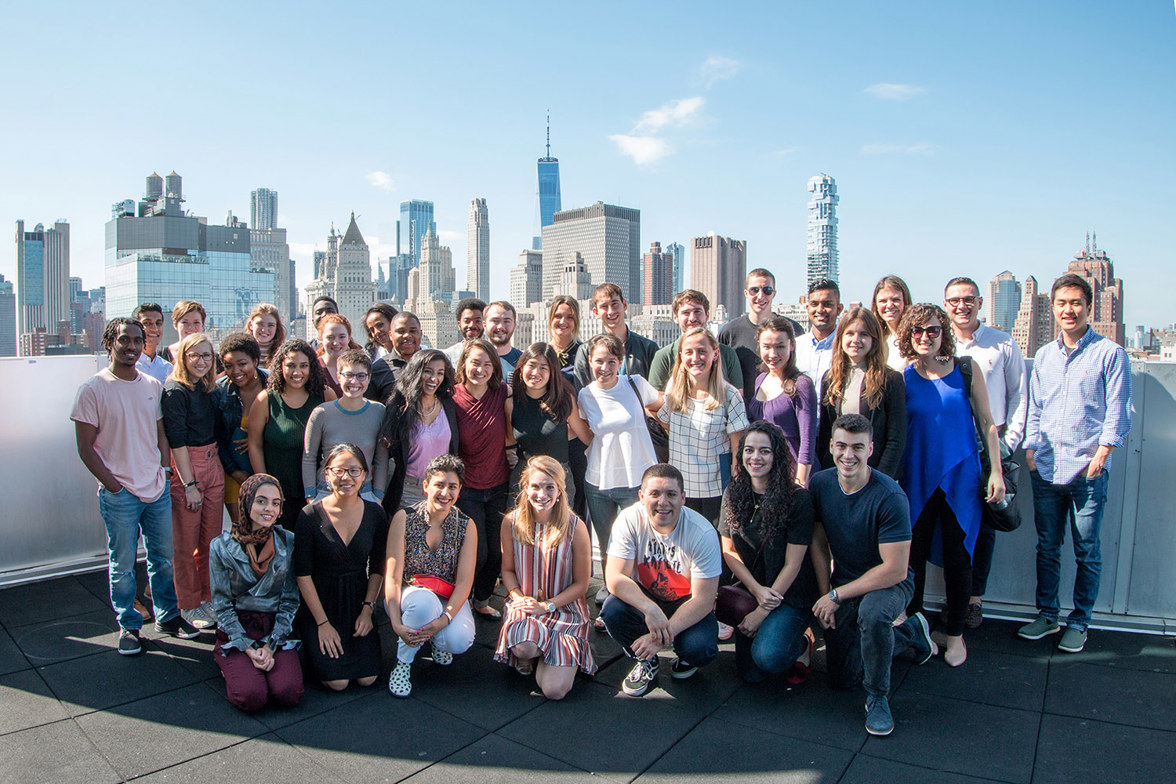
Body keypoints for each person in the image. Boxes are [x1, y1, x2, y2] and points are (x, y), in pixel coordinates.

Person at [72, 318, 200, 655]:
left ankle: (167, 617)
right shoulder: (92, 389)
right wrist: (113, 486)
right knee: (123, 565)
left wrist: (164, 470)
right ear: (110, 343)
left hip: (156, 488)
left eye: (136, 341)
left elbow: (161, 432)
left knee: (163, 559)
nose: (131, 346)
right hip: (120, 495)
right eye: (124, 340)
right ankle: (128, 625)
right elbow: (85, 448)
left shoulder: (152, 386)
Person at [1019, 273, 1132, 653]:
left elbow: (1119, 409)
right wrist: (1031, 450)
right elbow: (1036, 407)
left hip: (1087, 470)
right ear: (1053, 307)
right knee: (1047, 547)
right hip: (1046, 467)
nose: (1069, 310)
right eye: (1062, 303)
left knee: (1087, 550)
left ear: (1088, 307)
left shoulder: (1110, 353)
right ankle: (1047, 615)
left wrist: (1102, 454)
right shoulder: (1045, 356)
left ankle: (1080, 621)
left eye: (1076, 303)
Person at [808, 414, 937, 737]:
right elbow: (818, 542)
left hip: (890, 583)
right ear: (831, 446)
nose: (848, 454)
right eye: (841, 446)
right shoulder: (821, 484)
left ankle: (878, 697)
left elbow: (894, 568)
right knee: (842, 678)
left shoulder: (890, 496)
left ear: (871, 449)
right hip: (845, 582)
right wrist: (826, 595)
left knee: (873, 614)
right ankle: (910, 634)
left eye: (857, 447)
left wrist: (837, 595)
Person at [898, 303, 1004, 668]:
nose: (925, 337)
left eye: (933, 330)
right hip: (916, 478)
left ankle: (956, 634)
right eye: (917, 330)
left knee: (960, 558)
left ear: (944, 332)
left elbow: (988, 423)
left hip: (961, 478)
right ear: (908, 335)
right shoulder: (903, 377)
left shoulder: (966, 369)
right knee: (913, 559)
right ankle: (918, 630)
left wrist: (996, 472)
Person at [943, 276, 1028, 629]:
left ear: (980, 302)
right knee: (950, 522)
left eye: (968, 299)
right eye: (954, 300)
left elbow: (1020, 395)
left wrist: (1008, 445)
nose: (961, 306)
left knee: (985, 526)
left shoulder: (1002, 343)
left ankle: (973, 599)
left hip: (990, 446)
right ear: (946, 305)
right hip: (949, 448)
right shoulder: (937, 341)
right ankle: (952, 597)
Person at [601, 464, 721, 698]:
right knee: (612, 610)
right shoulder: (629, 520)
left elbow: (704, 600)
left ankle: (683, 657)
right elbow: (614, 577)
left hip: (685, 601)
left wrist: (660, 637)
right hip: (646, 597)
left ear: (683, 498)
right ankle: (646, 660)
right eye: (655, 494)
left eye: (671, 494)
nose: (663, 502)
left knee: (701, 648)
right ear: (641, 496)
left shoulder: (702, 532)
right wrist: (650, 608)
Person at [719, 422, 817, 682]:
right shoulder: (733, 492)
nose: (756, 457)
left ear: (777, 456)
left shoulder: (797, 499)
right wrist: (756, 591)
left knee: (768, 657)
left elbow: (793, 564)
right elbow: (728, 551)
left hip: (789, 593)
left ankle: (801, 643)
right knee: (751, 675)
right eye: (749, 450)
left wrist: (762, 611)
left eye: (765, 451)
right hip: (753, 590)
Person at [495, 457, 596, 698]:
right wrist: (518, 598)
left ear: (560, 490)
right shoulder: (511, 522)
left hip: (564, 609)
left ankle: (554, 651)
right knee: (525, 647)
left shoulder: (575, 527)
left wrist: (547, 606)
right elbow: (507, 571)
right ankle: (533, 651)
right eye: (536, 486)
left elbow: (581, 584)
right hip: (527, 606)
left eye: (550, 487)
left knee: (554, 691)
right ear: (526, 487)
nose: (542, 494)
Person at [577, 333, 662, 607]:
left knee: (639, 539)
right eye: (599, 361)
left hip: (637, 479)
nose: (605, 367)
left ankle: (641, 590)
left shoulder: (636, 384)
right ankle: (610, 586)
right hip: (599, 480)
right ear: (590, 362)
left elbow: (662, 408)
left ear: (621, 362)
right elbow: (585, 432)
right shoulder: (585, 395)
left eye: (611, 361)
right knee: (607, 541)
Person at [384, 455, 478, 698]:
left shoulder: (466, 525)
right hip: (410, 596)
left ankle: (436, 639)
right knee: (424, 603)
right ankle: (403, 663)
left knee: (459, 640)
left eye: (452, 486)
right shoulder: (404, 518)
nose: (445, 493)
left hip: (446, 596)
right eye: (439, 485)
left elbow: (464, 581)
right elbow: (392, 576)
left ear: (459, 490)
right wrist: (395, 623)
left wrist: (446, 619)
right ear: (426, 486)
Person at [294, 444, 387, 691]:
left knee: (368, 678)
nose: (346, 477)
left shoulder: (376, 514)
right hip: (321, 604)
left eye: (354, 471)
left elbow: (378, 567)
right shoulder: (309, 516)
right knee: (338, 683)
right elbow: (303, 574)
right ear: (326, 474)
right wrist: (322, 624)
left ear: (365, 475)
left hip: (358, 602)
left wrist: (368, 609)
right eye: (339, 471)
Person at [209, 474, 303, 712]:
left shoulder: (289, 542)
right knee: (251, 697)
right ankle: (227, 657)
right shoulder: (221, 547)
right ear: (246, 502)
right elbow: (222, 604)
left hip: (274, 627)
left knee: (288, 693)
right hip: (238, 627)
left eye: (275, 503)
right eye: (261, 501)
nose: (269, 509)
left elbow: (290, 600)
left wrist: (271, 645)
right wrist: (248, 648)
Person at [162, 332, 227, 630]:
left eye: (206, 356)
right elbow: (176, 440)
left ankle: (208, 597)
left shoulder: (209, 388)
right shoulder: (175, 390)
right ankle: (188, 603)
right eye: (194, 355)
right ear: (183, 357)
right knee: (185, 543)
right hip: (188, 466)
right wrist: (188, 485)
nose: (201, 361)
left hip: (213, 463)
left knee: (211, 541)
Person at [657, 327, 748, 524]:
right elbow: (664, 422)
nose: (695, 358)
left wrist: (735, 490)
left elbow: (737, 449)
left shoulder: (729, 396)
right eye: (689, 352)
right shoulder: (674, 390)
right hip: (679, 490)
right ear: (681, 356)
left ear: (715, 354)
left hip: (716, 491)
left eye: (702, 351)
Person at [248, 339, 335, 531]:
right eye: (291, 366)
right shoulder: (266, 399)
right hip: (278, 494)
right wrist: (265, 483)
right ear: (280, 367)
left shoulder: (325, 396)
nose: (297, 372)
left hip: (318, 492)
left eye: (303, 366)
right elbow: (254, 445)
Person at [453, 338, 512, 619]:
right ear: (464, 363)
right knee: (477, 553)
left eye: (488, 364)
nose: (481, 369)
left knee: (498, 554)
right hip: (467, 489)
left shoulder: (502, 393)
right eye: (475, 362)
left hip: (499, 484)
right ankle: (460, 601)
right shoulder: (451, 397)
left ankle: (482, 598)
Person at [816, 308, 906, 479]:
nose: (856, 340)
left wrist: (880, 479)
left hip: (875, 475)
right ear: (840, 337)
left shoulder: (890, 379)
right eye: (850, 333)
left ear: (874, 339)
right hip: (838, 475)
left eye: (864, 334)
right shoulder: (830, 379)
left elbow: (896, 439)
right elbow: (826, 434)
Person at [506, 343, 592, 510]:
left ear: (552, 372)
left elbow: (585, 436)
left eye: (543, 368)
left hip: (559, 477)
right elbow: (509, 440)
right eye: (531, 365)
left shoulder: (564, 400)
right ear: (522, 368)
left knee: (560, 526)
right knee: (520, 526)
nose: (536, 372)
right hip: (525, 478)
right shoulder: (510, 403)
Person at [303, 349, 389, 504]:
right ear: (338, 377)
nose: (354, 382)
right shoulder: (322, 413)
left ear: (369, 378)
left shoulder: (379, 412)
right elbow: (309, 457)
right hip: (327, 491)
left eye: (361, 376)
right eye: (348, 375)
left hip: (364, 492)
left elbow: (381, 459)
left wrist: (378, 495)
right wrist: (310, 496)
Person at [379, 349, 459, 514]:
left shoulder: (448, 405)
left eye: (440, 373)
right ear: (416, 372)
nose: (434, 379)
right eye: (428, 372)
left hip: (442, 489)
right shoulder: (400, 408)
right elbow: (387, 452)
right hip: (409, 489)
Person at [747, 316, 817, 486]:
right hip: (765, 474)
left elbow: (807, 441)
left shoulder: (801, 385)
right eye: (767, 347)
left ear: (791, 345)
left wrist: (800, 484)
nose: (773, 354)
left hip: (791, 476)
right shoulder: (760, 380)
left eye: (780, 346)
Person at [718, 268, 802, 401]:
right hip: (741, 409)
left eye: (767, 290)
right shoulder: (729, 331)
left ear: (774, 294)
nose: (760, 296)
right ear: (746, 293)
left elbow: (800, 369)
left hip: (783, 407)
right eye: (754, 290)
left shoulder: (793, 329)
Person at [216, 333, 267, 525]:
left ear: (255, 361)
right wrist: (236, 473)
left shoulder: (273, 384)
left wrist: (258, 438)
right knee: (241, 529)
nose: (236, 371)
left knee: (266, 527)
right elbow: (216, 438)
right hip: (233, 472)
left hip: (267, 466)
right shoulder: (220, 391)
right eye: (228, 366)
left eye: (242, 364)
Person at [648, 290, 743, 392]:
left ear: (707, 315)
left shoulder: (727, 353)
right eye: (686, 313)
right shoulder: (663, 356)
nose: (692, 318)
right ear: (675, 317)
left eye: (697, 312)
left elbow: (738, 395)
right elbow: (655, 398)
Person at [547, 295, 589, 521]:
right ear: (550, 318)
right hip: (548, 438)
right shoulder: (542, 353)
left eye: (569, 317)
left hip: (577, 439)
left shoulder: (585, 352)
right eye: (558, 316)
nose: (563, 321)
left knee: (578, 500)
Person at [573, 283, 659, 387]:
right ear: (596, 312)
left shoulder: (648, 348)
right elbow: (581, 392)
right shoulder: (586, 350)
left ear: (624, 305)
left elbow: (656, 391)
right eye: (604, 306)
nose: (611, 311)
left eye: (615, 304)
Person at [795, 279, 844, 405]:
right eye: (814, 304)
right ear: (807, 308)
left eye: (827, 304)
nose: (820, 309)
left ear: (839, 309)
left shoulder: (846, 348)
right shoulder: (795, 347)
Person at [368, 311, 423, 402]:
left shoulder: (435, 366)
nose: (407, 335)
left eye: (413, 331)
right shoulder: (377, 370)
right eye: (401, 331)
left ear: (420, 333)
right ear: (390, 335)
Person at [871, 275, 912, 371]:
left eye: (895, 300)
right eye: (883, 301)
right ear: (876, 305)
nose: (889, 305)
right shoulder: (874, 339)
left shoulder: (915, 337)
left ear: (905, 302)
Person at [316, 313, 362, 398]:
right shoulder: (314, 367)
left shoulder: (359, 366)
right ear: (321, 339)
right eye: (330, 337)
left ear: (349, 338)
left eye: (341, 337)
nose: (336, 343)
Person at [132, 303, 173, 385]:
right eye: (147, 323)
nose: (154, 329)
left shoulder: (168, 368)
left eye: (158, 323)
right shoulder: (128, 366)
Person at [485, 301, 523, 381]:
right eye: (495, 321)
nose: (500, 326)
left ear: (514, 326)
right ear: (484, 325)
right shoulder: (474, 359)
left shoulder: (523, 361)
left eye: (506, 321)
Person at [443, 298, 485, 364]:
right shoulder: (447, 357)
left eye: (477, 321)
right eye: (467, 321)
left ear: (485, 324)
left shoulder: (493, 354)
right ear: (459, 324)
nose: (472, 325)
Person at [245, 303, 286, 368]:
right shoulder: (240, 351)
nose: (264, 330)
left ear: (276, 327)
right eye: (260, 324)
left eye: (270, 325)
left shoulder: (285, 354)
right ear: (251, 325)